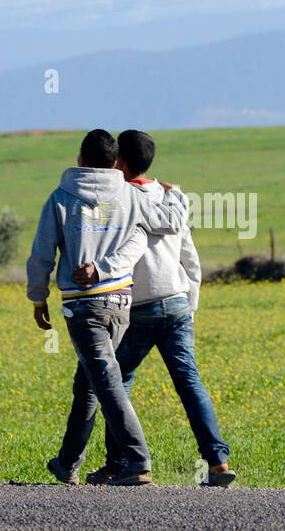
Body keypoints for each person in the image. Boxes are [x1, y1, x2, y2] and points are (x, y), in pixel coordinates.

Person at [64, 130, 236, 488]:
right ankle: (217, 462)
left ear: (120, 163)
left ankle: (123, 465)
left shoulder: (123, 199)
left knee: (116, 384)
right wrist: (191, 305)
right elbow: (190, 255)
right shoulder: (168, 197)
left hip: (138, 307)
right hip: (176, 303)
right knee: (190, 383)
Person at [26, 129, 188, 486]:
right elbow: (171, 222)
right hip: (121, 305)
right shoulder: (132, 195)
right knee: (89, 382)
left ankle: (137, 460)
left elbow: (42, 253)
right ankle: (67, 463)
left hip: (83, 308)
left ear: (81, 159)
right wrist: (174, 194)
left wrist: (37, 297)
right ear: (115, 163)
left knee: (107, 382)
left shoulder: (61, 197)